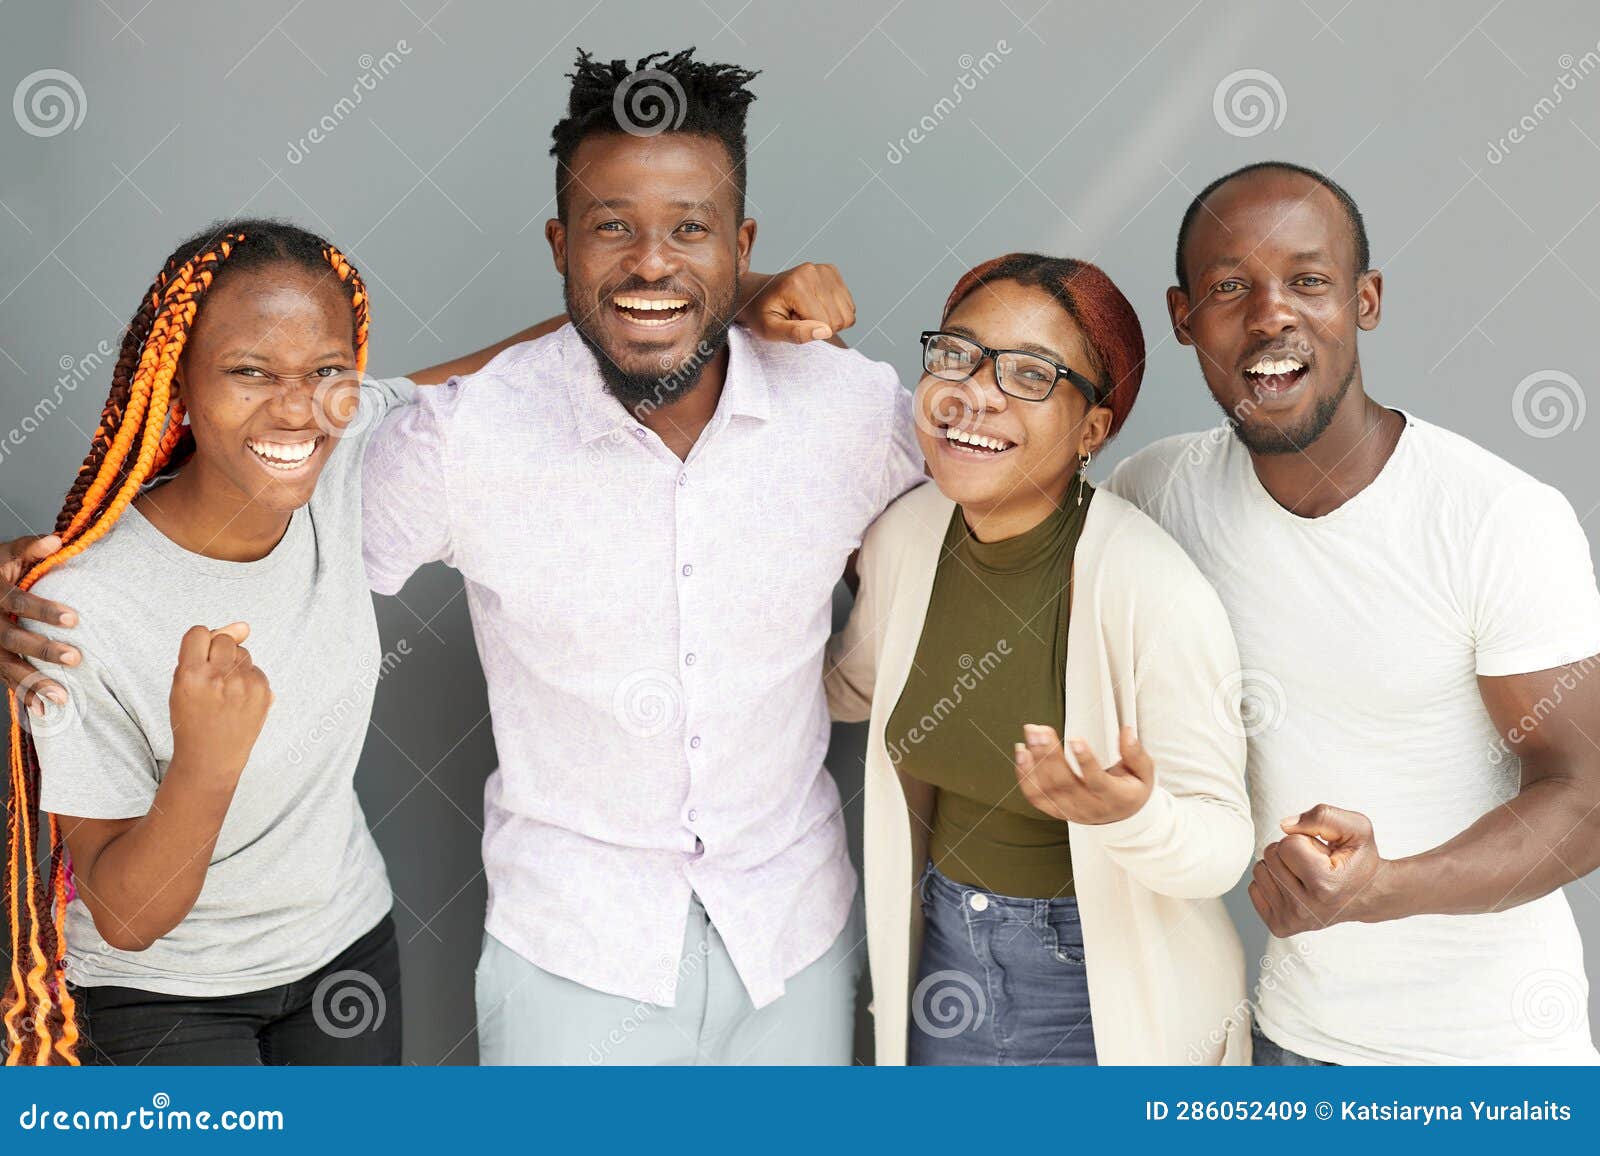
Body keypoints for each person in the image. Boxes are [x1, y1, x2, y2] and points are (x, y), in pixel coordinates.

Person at [3, 48, 909, 1066]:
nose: (652, 259)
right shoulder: (451, 443)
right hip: (509, 964)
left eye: (691, 230)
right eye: (612, 226)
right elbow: (252, 488)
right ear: (561, 246)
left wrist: (728, 297)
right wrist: (62, 598)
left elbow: (1000, 505)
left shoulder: (845, 408)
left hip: (758, 937)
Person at [1105, 161, 1600, 1064]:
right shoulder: (1156, 495)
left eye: (1309, 280)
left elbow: (1588, 794)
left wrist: (1383, 888)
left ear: (1364, 300)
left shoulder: (1497, 518)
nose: (1270, 314)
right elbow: (1001, 521)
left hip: (1496, 1058)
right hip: (1288, 1039)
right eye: (1229, 287)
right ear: (1184, 320)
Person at [825, 254, 1253, 1065]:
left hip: (1097, 985)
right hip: (942, 957)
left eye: (1029, 374)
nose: (975, 391)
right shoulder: (908, 537)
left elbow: (1221, 845)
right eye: (956, 354)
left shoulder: (1151, 590)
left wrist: (1128, 815)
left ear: (1092, 429)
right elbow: (851, 691)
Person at [1, 221, 409, 1066]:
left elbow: (513, 374)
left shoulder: (343, 455)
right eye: (250, 372)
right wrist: (207, 763)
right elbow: (129, 916)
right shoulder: (77, 610)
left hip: (345, 947)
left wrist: (724, 299)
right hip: (162, 998)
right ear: (179, 379)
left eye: (327, 371)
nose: (297, 409)